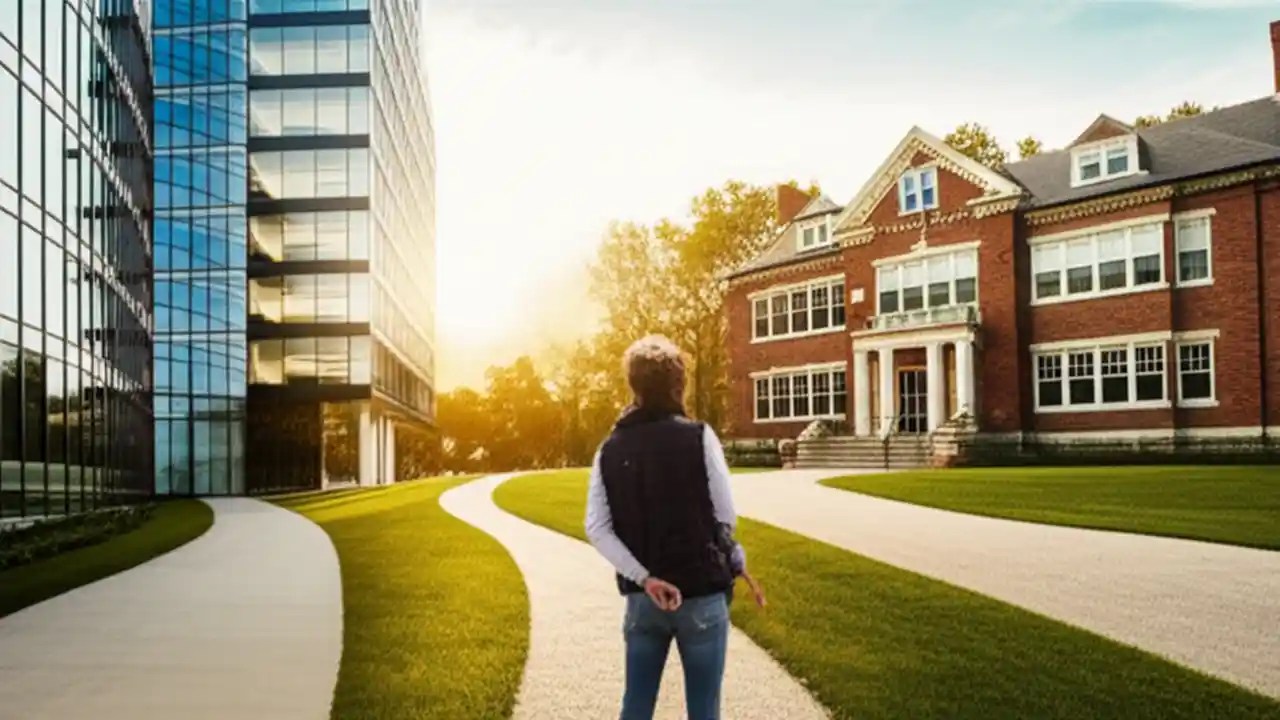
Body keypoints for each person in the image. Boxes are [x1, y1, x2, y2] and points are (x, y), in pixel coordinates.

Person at [585, 335, 765, 720]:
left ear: (633, 385)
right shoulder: (699, 436)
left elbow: (597, 528)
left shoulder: (609, 449)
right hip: (701, 595)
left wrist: (645, 578)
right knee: (704, 711)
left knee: (635, 706)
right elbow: (725, 517)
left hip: (643, 600)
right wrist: (734, 556)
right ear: (677, 385)